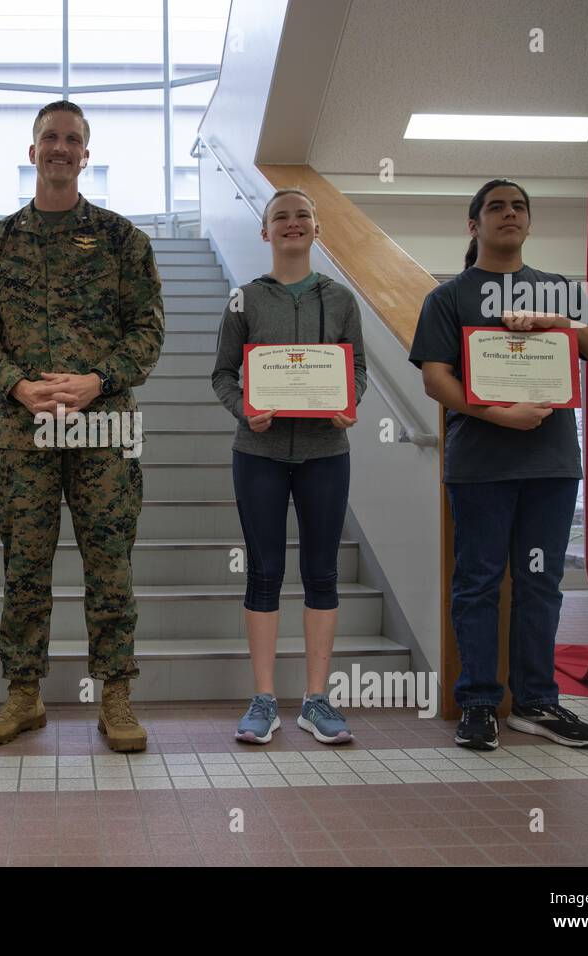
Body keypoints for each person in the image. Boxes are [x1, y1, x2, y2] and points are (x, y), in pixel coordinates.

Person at [0, 100, 165, 751]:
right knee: (24, 565)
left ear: (84, 153)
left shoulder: (122, 240)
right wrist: (17, 385)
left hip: (102, 431)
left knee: (110, 565)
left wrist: (98, 380)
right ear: (33, 151)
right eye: (50, 136)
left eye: (71, 139)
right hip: (25, 434)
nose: (60, 147)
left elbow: (149, 329)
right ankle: (23, 695)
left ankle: (117, 698)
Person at [408, 178, 588, 750]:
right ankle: (479, 703)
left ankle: (536, 704)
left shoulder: (559, 292)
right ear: (474, 224)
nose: (509, 213)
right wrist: (498, 416)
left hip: (551, 466)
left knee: (540, 583)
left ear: (529, 223)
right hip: (480, 464)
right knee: (479, 583)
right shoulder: (447, 298)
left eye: (519, 207)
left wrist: (562, 326)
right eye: (496, 207)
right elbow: (437, 379)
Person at [212, 187, 367, 745]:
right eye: (281, 217)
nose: (293, 223)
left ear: (317, 229)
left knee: (322, 571)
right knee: (265, 570)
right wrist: (243, 408)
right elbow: (223, 375)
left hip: (326, 453)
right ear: (266, 232)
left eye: (303, 216)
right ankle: (263, 700)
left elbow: (358, 372)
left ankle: (316, 699)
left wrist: (349, 404)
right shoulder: (243, 299)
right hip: (259, 454)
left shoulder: (342, 300)